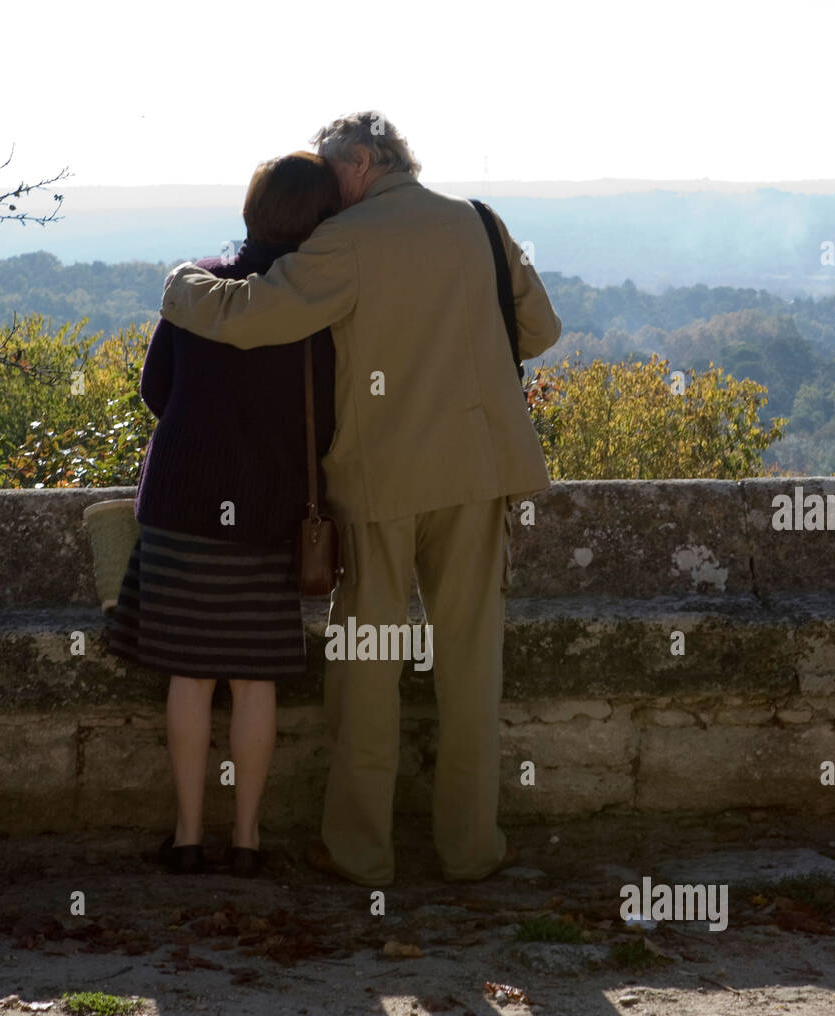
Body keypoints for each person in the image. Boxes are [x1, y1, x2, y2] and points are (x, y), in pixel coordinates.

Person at [162, 113, 562, 886]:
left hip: (382, 482)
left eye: (332, 169)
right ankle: (471, 848)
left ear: (366, 162)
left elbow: (254, 317)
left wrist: (181, 287)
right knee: (473, 668)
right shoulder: (479, 223)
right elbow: (539, 329)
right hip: (479, 473)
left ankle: (360, 852)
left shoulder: (347, 241)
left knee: (367, 668)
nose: (325, 188)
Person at [109, 152, 339, 877]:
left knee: (188, 673)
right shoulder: (319, 303)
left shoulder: (197, 285)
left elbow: (156, 390)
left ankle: (185, 837)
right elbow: (330, 420)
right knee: (253, 677)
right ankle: (246, 841)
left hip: (182, 504)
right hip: (270, 512)